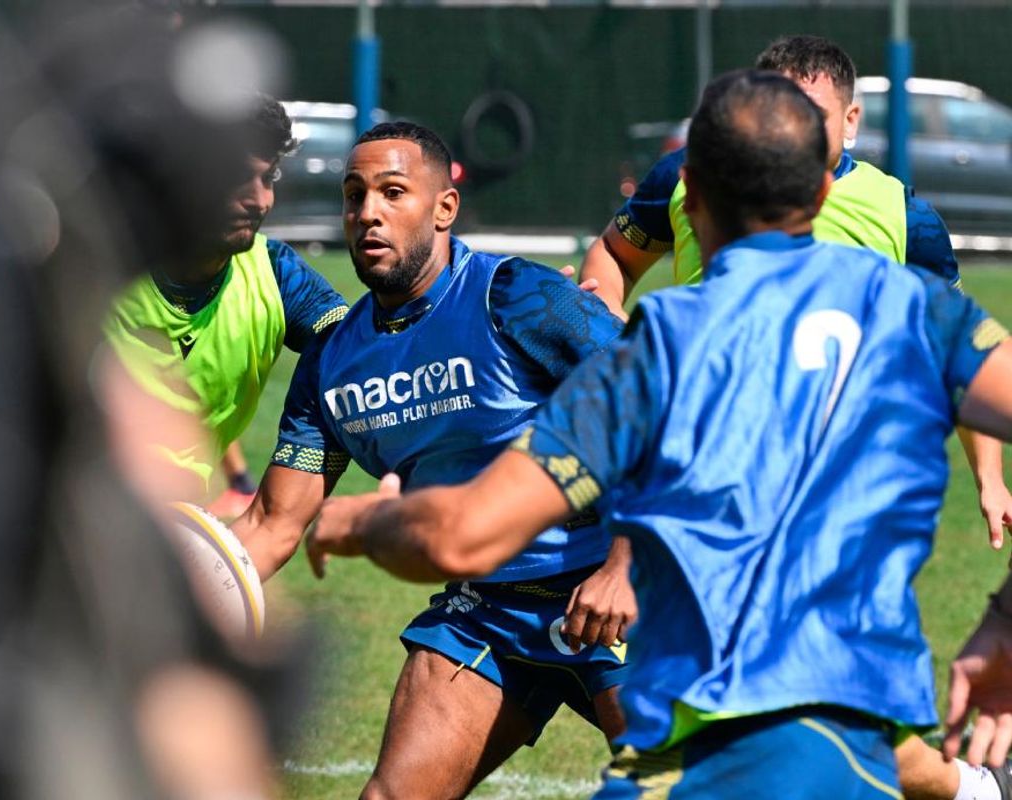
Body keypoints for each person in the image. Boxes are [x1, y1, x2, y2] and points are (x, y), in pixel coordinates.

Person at [308, 69, 1012, 799]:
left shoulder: (656, 356)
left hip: (709, 761)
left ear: (692, 195)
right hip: (855, 749)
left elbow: (464, 537)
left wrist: (373, 520)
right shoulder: (919, 311)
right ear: (825, 193)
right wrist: (1005, 619)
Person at [581, 35, 1012, 800]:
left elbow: (965, 359)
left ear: (848, 123)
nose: (783, 133)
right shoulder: (688, 185)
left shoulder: (900, 214)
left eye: (807, 117)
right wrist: (606, 327)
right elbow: (613, 256)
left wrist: (988, 474)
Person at [233, 120, 632, 799]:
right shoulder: (332, 363)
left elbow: (665, 407)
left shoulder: (520, 297)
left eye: (393, 192)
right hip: (487, 612)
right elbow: (271, 524)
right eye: (354, 196)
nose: (369, 214)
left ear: (445, 207)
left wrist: (627, 564)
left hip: (612, 594)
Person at [103, 94, 348, 508]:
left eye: (268, 178)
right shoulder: (101, 267)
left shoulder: (275, 274)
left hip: (170, 531)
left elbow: (359, 349)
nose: (258, 200)